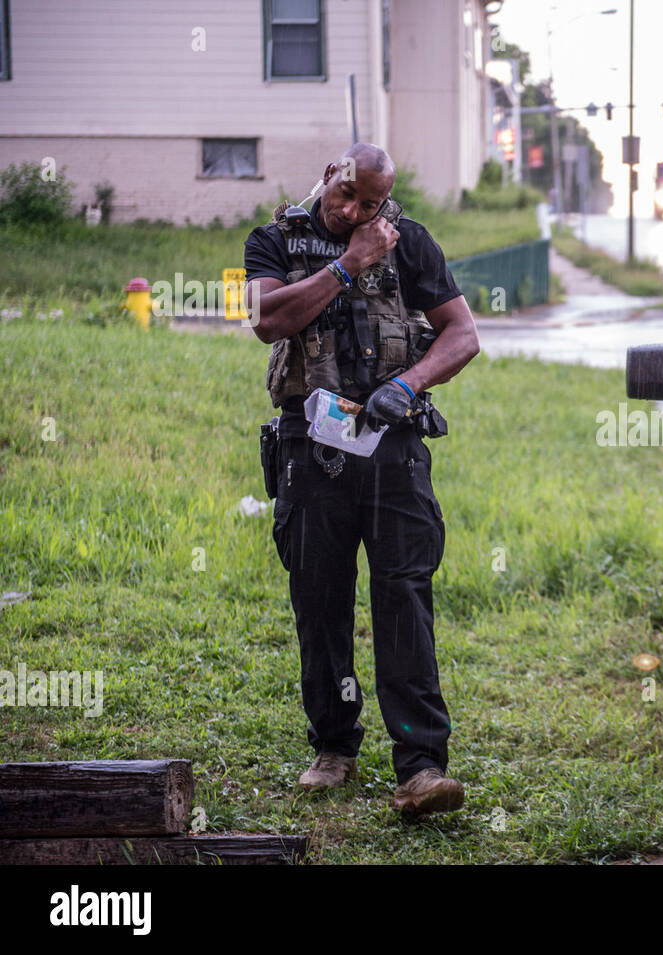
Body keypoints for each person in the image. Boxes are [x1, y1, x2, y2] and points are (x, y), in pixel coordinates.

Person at [243, 143, 479, 817]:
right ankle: (334, 746)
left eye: (368, 205)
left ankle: (422, 766)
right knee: (319, 597)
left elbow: (462, 335)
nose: (352, 211)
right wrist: (348, 265)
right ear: (328, 175)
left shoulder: (411, 242)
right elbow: (266, 319)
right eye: (345, 195)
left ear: (383, 201)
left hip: (392, 447)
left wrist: (408, 382)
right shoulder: (273, 240)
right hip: (308, 447)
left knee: (403, 597)